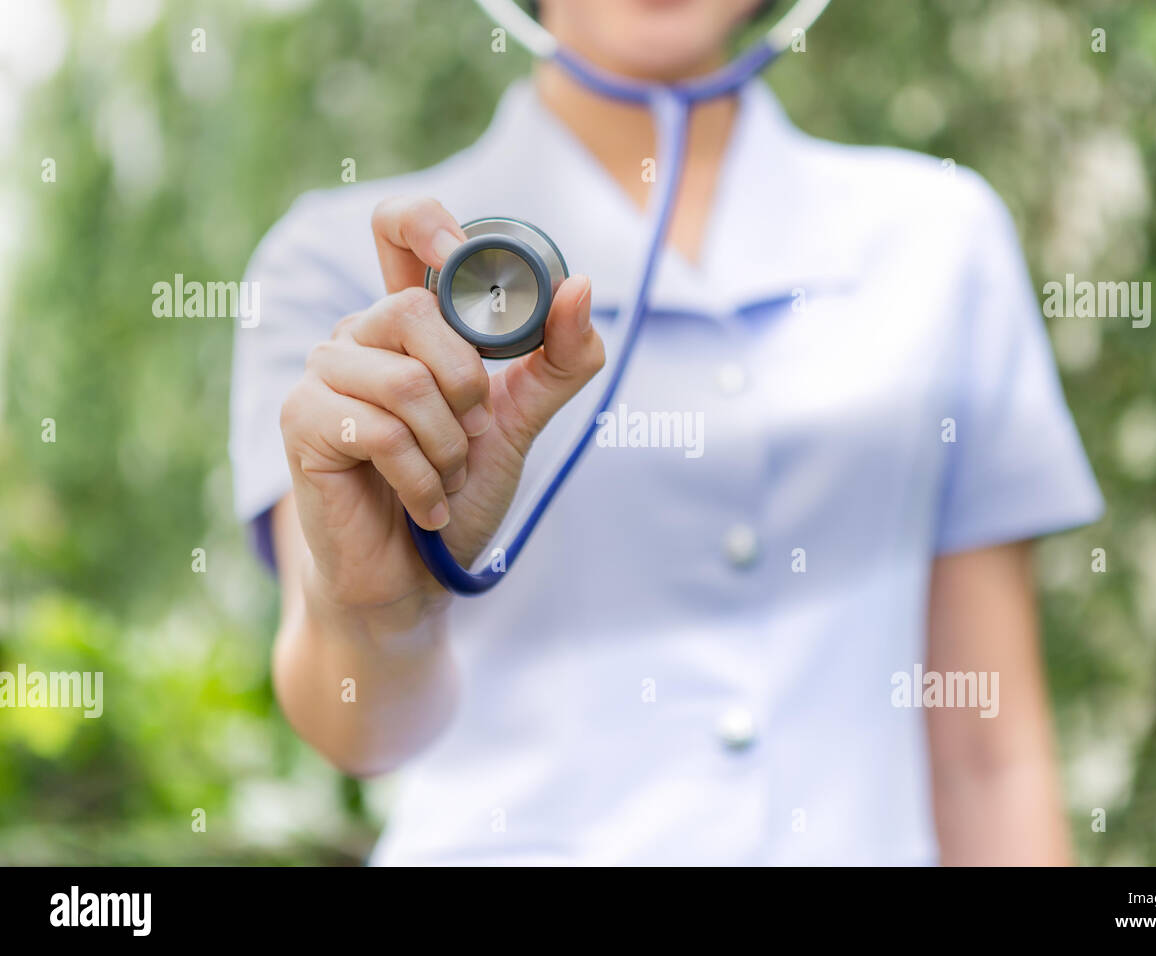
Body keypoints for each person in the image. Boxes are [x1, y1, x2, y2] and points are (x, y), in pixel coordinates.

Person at [230, 0, 1104, 865]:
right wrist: (384, 611)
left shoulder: (941, 238)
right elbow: (355, 731)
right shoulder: (337, 263)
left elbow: (990, 759)